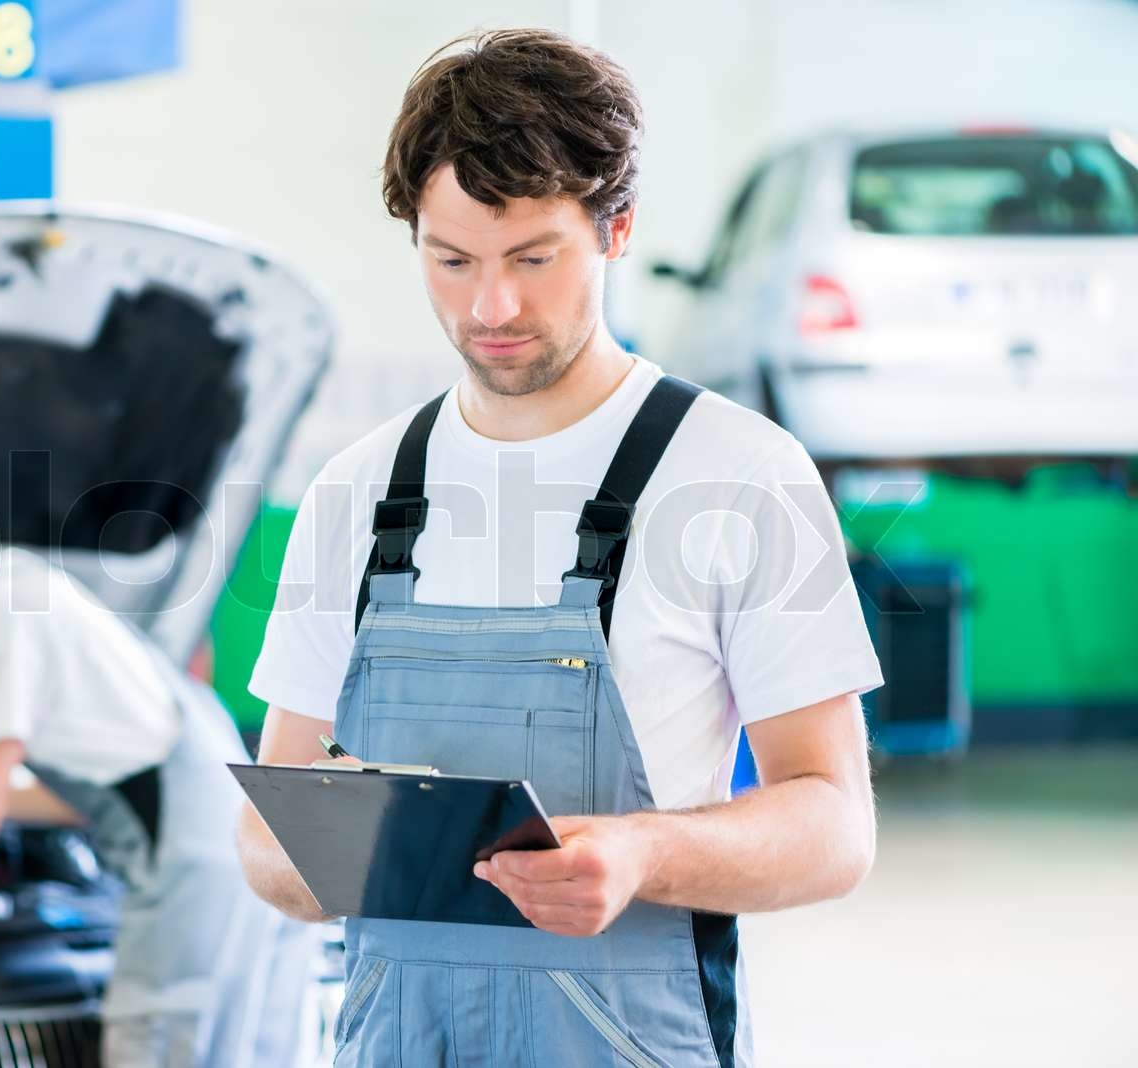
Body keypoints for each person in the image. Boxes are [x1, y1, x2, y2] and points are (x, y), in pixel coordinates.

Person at [237, 29, 883, 1068]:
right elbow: (269, 836)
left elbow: (833, 827)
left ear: (615, 230)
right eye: (451, 262)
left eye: (533, 259)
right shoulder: (355, 491)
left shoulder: (739, 472)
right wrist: (371, 854)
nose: (489, 307)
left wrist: (641, 852)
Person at [0, 472, 310, 1068]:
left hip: (196, 868)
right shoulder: (20, 581)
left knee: (152, 1045)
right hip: (241, 851)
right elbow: (103, 785)